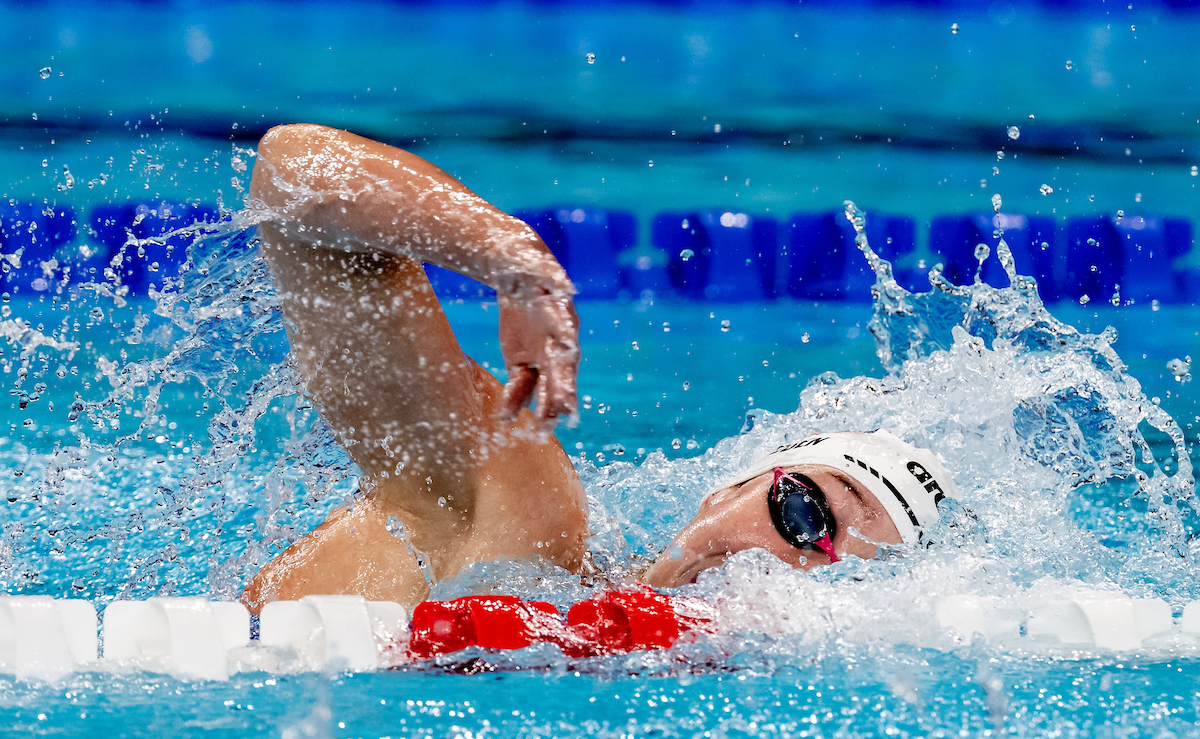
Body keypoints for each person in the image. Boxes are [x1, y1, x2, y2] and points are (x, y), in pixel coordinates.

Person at [240, 124, 959, 615]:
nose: (794, 568)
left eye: (844, 581)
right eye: (805, 514)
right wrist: (516, 264)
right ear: (734, 485)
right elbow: (293, 170)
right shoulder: (521, 524)